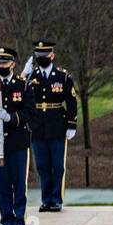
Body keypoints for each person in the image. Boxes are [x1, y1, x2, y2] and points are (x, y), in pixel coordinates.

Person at [0, 46, 33, 225]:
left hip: (17, 143)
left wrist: (10, 118)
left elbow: (30, 113)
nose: (1, 65)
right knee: (2, 185)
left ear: (13, 64)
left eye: (5, 62)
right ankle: (7, 221)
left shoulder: (23, 86)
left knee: (18, 184)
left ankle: (19, 221)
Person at [25, 40, 77, 213]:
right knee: (42, 165)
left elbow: (71, 101)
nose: (41, 58)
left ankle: (56, 199)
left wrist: (71, 124)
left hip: (56, 125)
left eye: (45, 55)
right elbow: (19, 94)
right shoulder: (32, 77)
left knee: (57, 165)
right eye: (38, 56)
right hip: (38, 126)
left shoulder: (62, 76)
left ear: (52, 56)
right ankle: (46, 199)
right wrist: (24, 74)